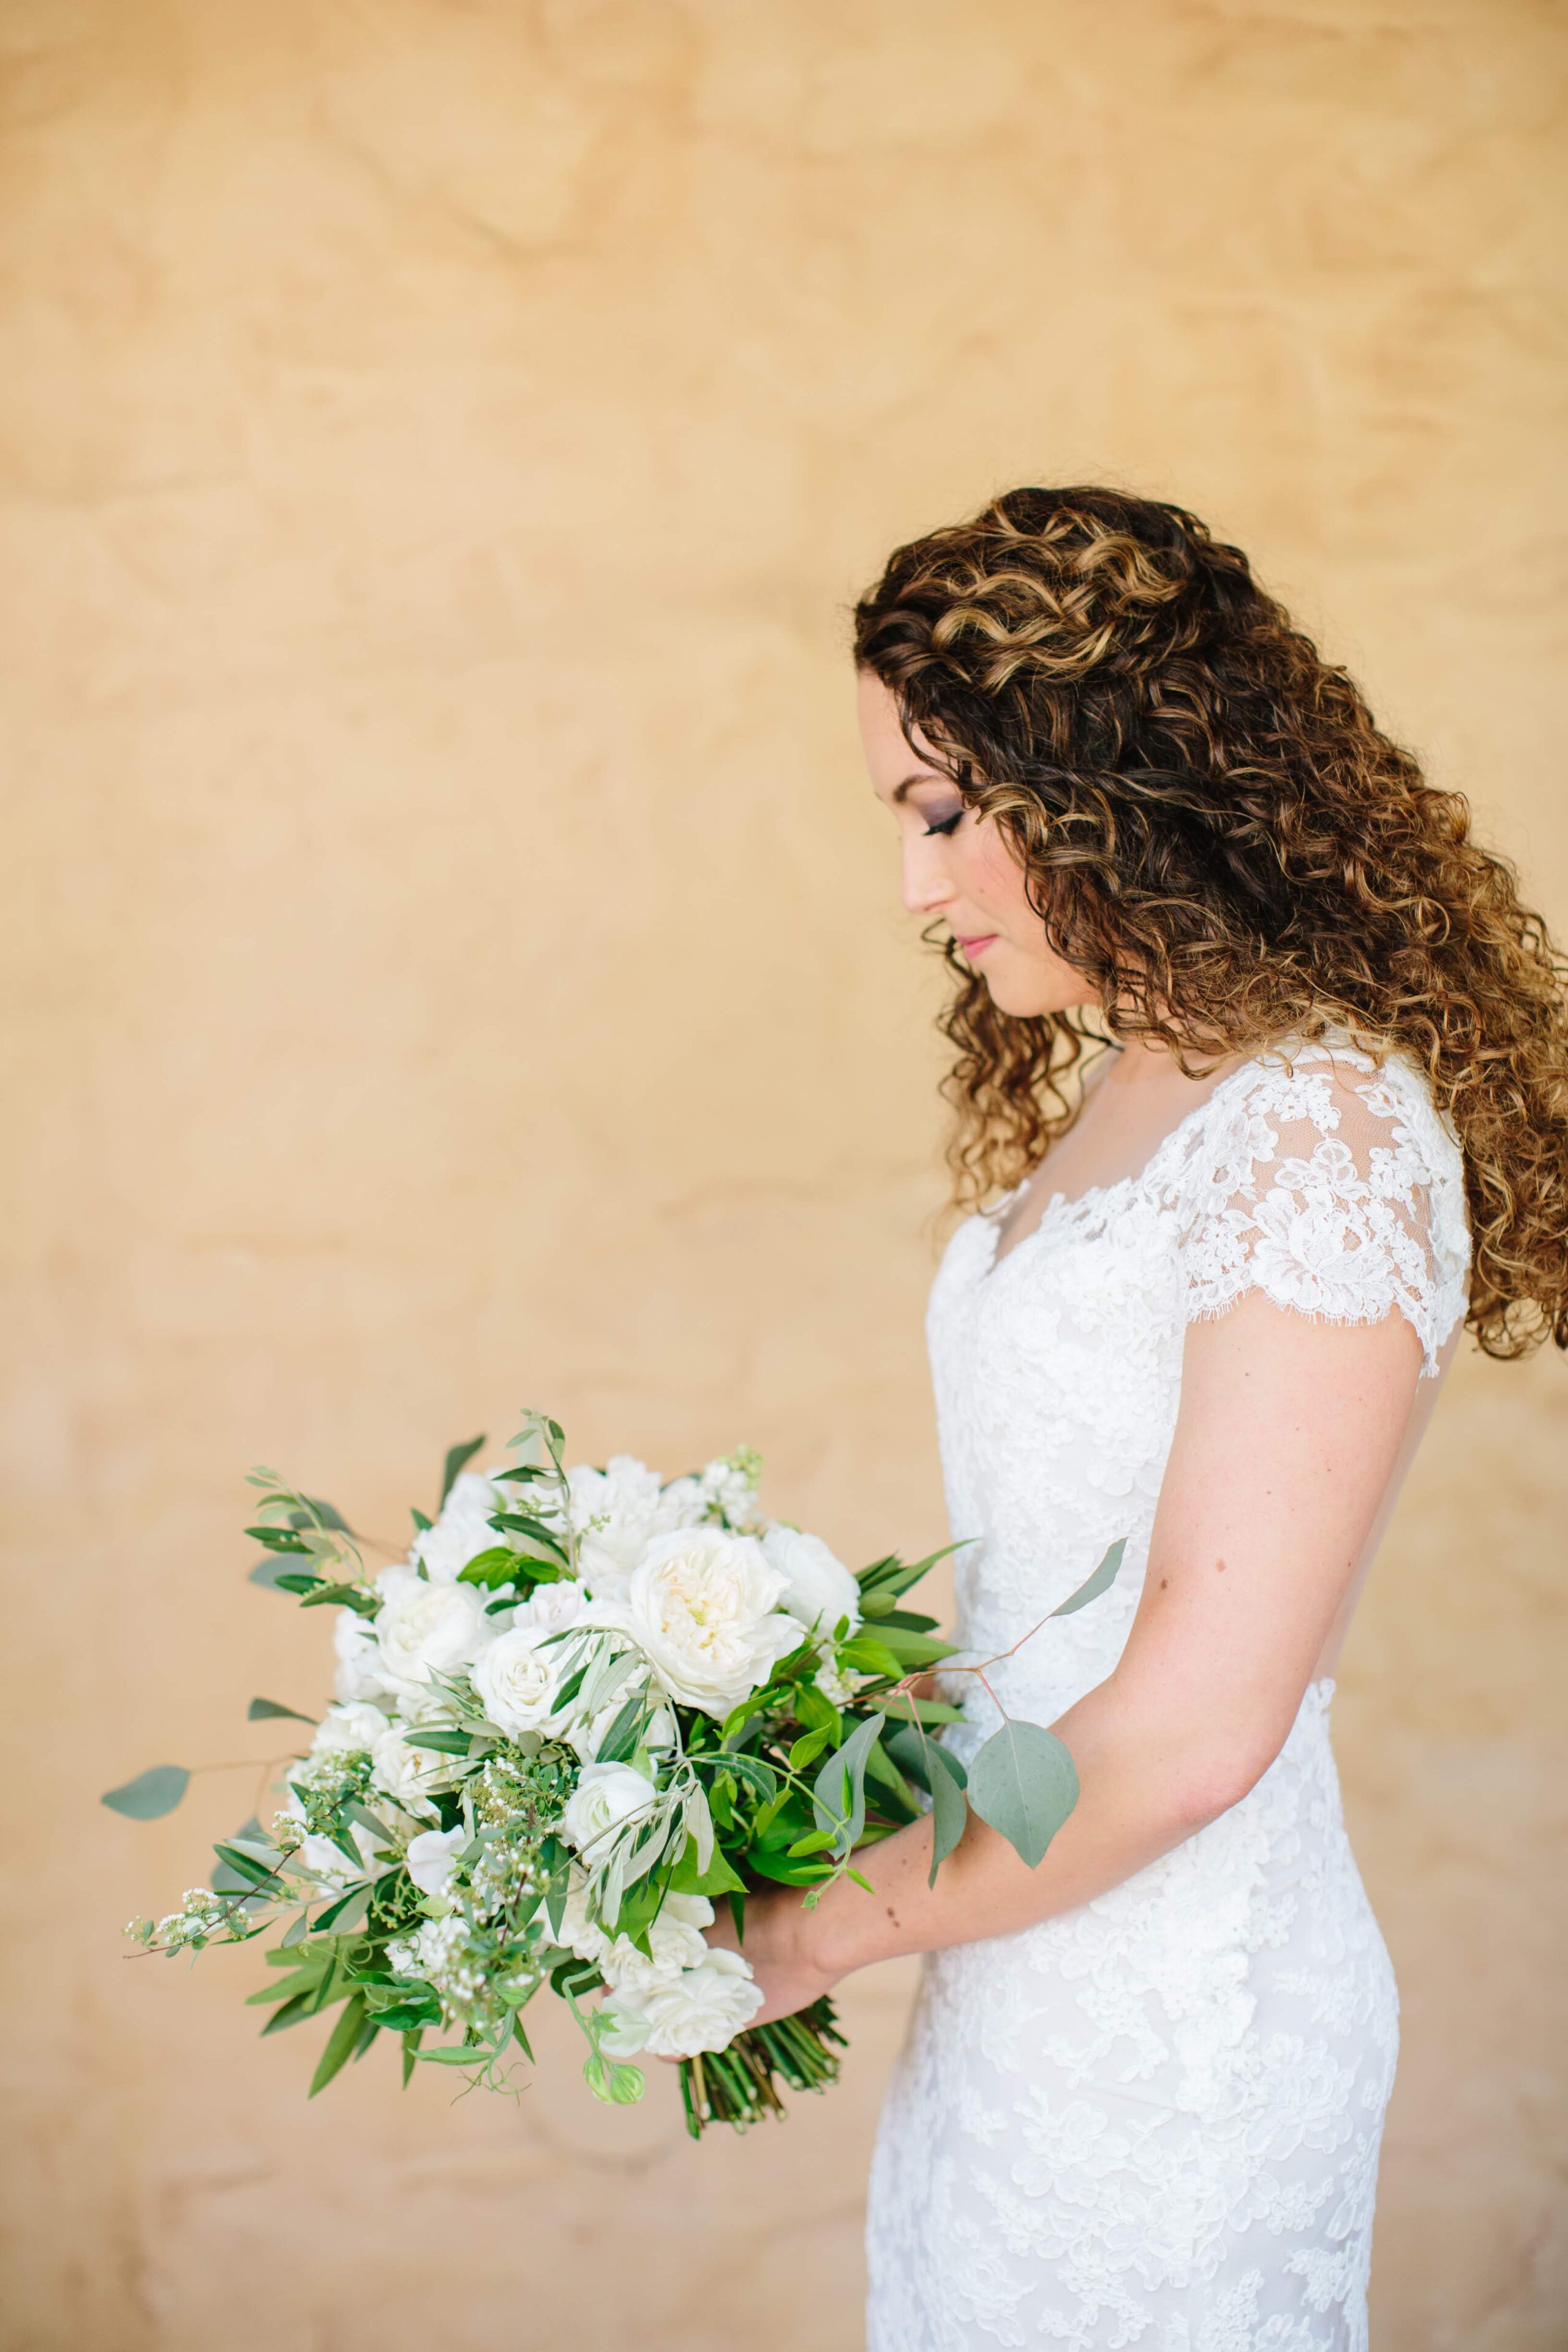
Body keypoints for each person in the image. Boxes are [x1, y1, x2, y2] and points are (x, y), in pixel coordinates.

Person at [706, 488, 1568, 2348]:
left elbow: (1192, 1726)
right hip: (1007, 1986)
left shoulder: (1317, 1127)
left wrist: (809, 1935)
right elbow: (1051, 1627)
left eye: (944, 815)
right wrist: (744, 1782)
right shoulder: (1132, 1094)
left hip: (1177, 2029)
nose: (915, 891)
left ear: (1110, 775)